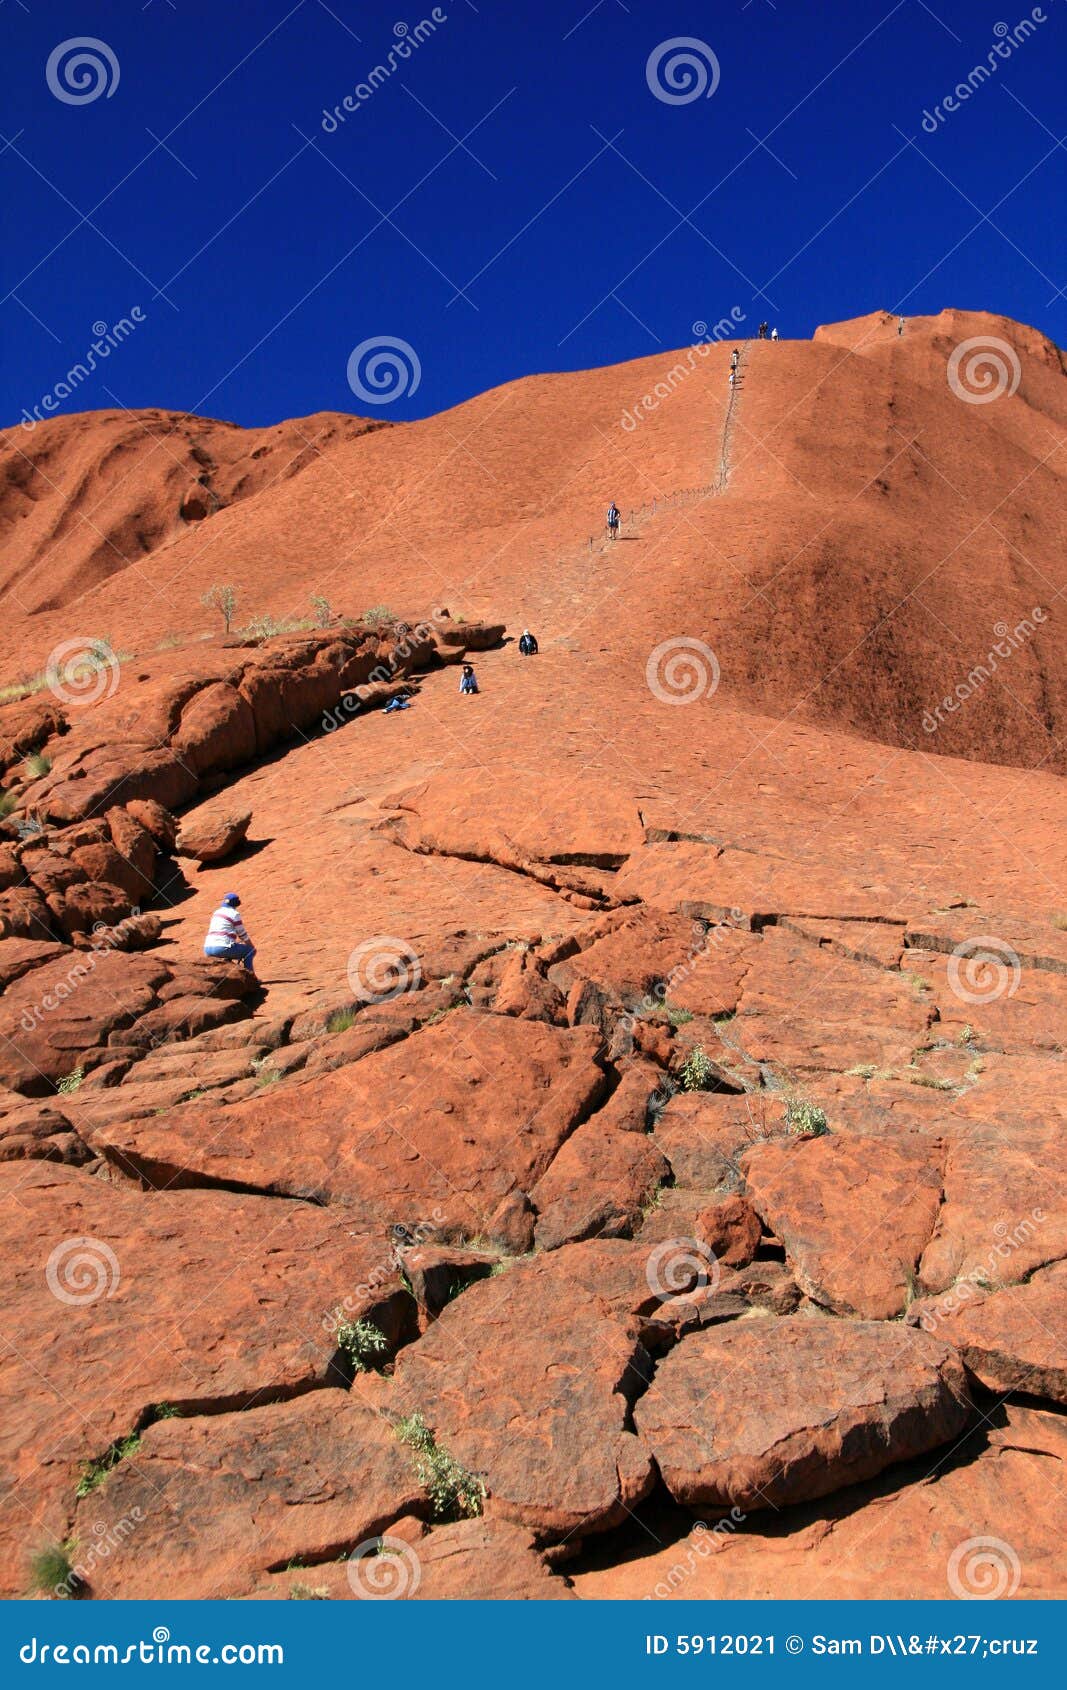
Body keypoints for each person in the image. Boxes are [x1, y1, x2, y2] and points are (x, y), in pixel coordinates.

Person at [203, 892, 256, 973]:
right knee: (249, 951)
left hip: (207, 948)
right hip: (222, 948)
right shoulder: (234, 914)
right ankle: (251, 977)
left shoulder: (216, 912)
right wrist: (251, 946)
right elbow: (242, 934)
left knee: (231, 948)